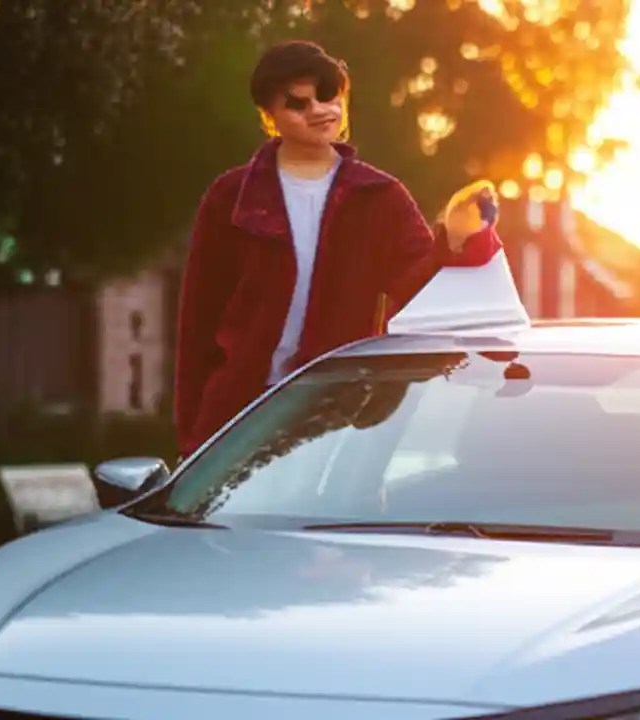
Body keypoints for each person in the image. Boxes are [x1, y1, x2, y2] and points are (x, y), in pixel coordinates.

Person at [173, 40, 501, 458]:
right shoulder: (230, 198)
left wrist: (460, 237)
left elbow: (423, 287)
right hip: (242, 415)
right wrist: (191, 443)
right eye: (298, 102)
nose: (319, 110)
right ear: (269, 113)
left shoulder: (379, 197)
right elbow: (197, 326)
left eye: (329, 95)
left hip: (342, 414)